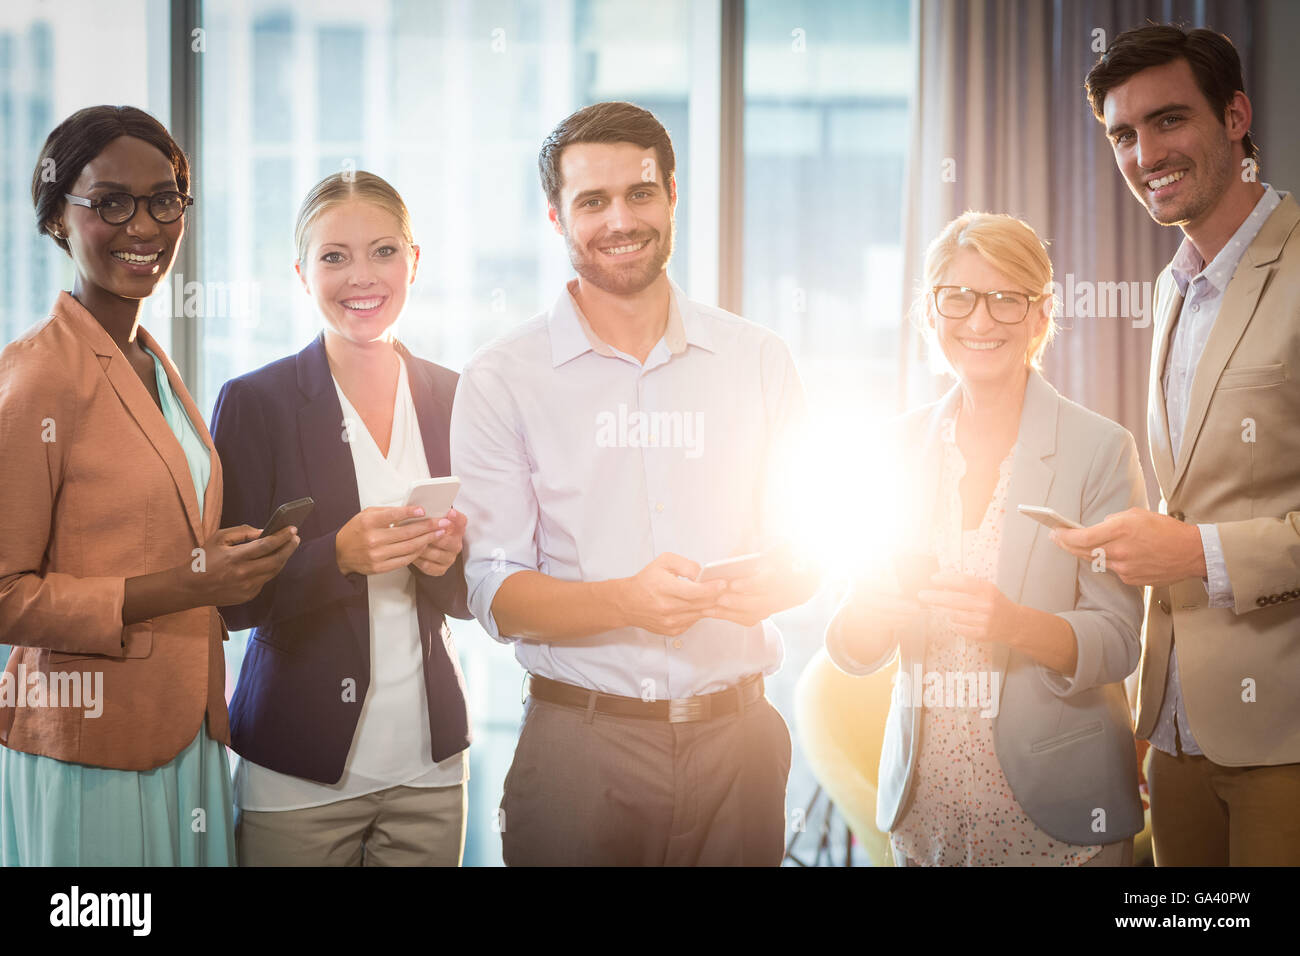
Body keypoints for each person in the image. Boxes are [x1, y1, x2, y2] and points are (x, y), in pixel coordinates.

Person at [450, 101, 818, 866]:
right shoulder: (500, 379)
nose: (620, 220)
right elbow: (494, 593)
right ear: (556, 216)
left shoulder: (759, 359)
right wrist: (628, 601)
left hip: (742, 749)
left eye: (640, 193)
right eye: (593, 201)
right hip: (582, 755)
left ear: (673, 195)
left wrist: (784, 580)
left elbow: (807, 550)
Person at [0, 105, 299, 866]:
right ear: (58, 219)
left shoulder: (148, 362)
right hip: (91, 746)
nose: (143, 226)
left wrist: (219, 556)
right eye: (110, 203)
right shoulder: (38, 376)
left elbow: (136, 531)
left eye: (164, 201)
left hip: (183, 728)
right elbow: (5, 595)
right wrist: (190, 582)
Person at [824, 212, 1147, 866]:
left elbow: (1118, 640)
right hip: (930, 813)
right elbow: (853, 646)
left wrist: (1014, 624)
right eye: (959, 296)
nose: (980, 319)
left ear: (1040, 314)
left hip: (1061, 822)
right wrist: (868, 615)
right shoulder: (893, 447)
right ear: (930, 310)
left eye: (1006, 298)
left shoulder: (1100, 449)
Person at [1063, 24, 1300, 866]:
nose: (1145, 154)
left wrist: (1195, 552)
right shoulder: (1175, 286)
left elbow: (1197, 538)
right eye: (1123, 134)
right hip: (1175, 734)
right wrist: (1149, 706)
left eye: (1169, 120)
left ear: (1235, 117)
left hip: (1285, 734)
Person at [209, 171, 473, 867]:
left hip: (430, 767)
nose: (362, 275)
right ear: (302, 274)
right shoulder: (255, 402)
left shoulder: (456, 396)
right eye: (335, 256)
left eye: (384, 251)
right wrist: (337, 557)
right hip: (298, 770)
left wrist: (449, 562)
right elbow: (228, 601)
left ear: (414, 260)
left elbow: (475, 593)